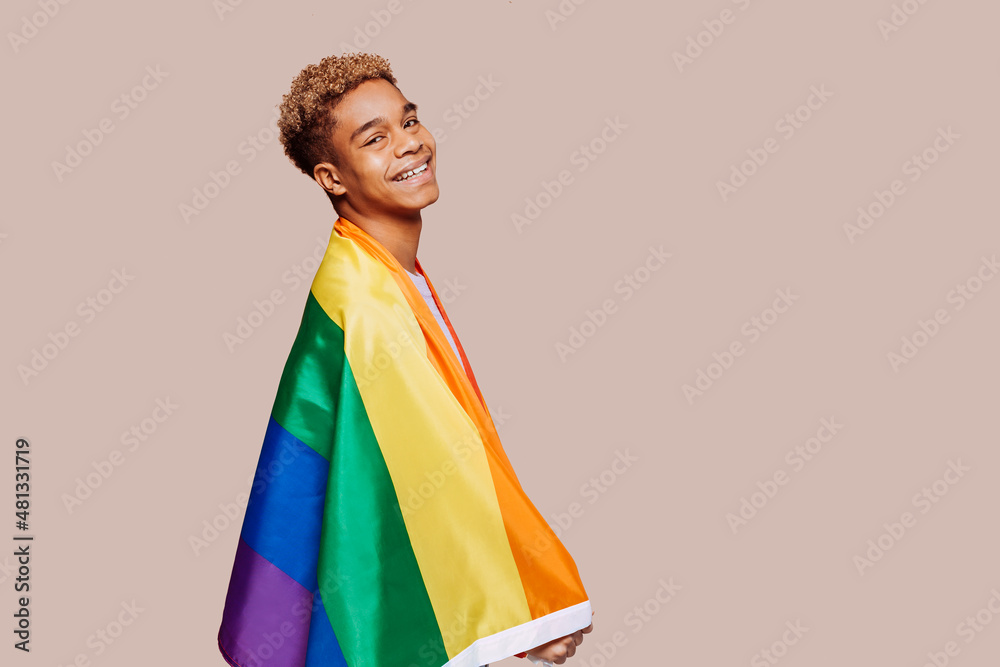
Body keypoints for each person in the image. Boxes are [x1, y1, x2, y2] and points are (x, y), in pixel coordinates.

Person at [217, 52, 593, 667]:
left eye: (409, 120)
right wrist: (528, 611)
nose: (410, 144)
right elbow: (439, 476)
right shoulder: (368, 303)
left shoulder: (378, 270)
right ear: (332, 178)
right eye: (375, 139)